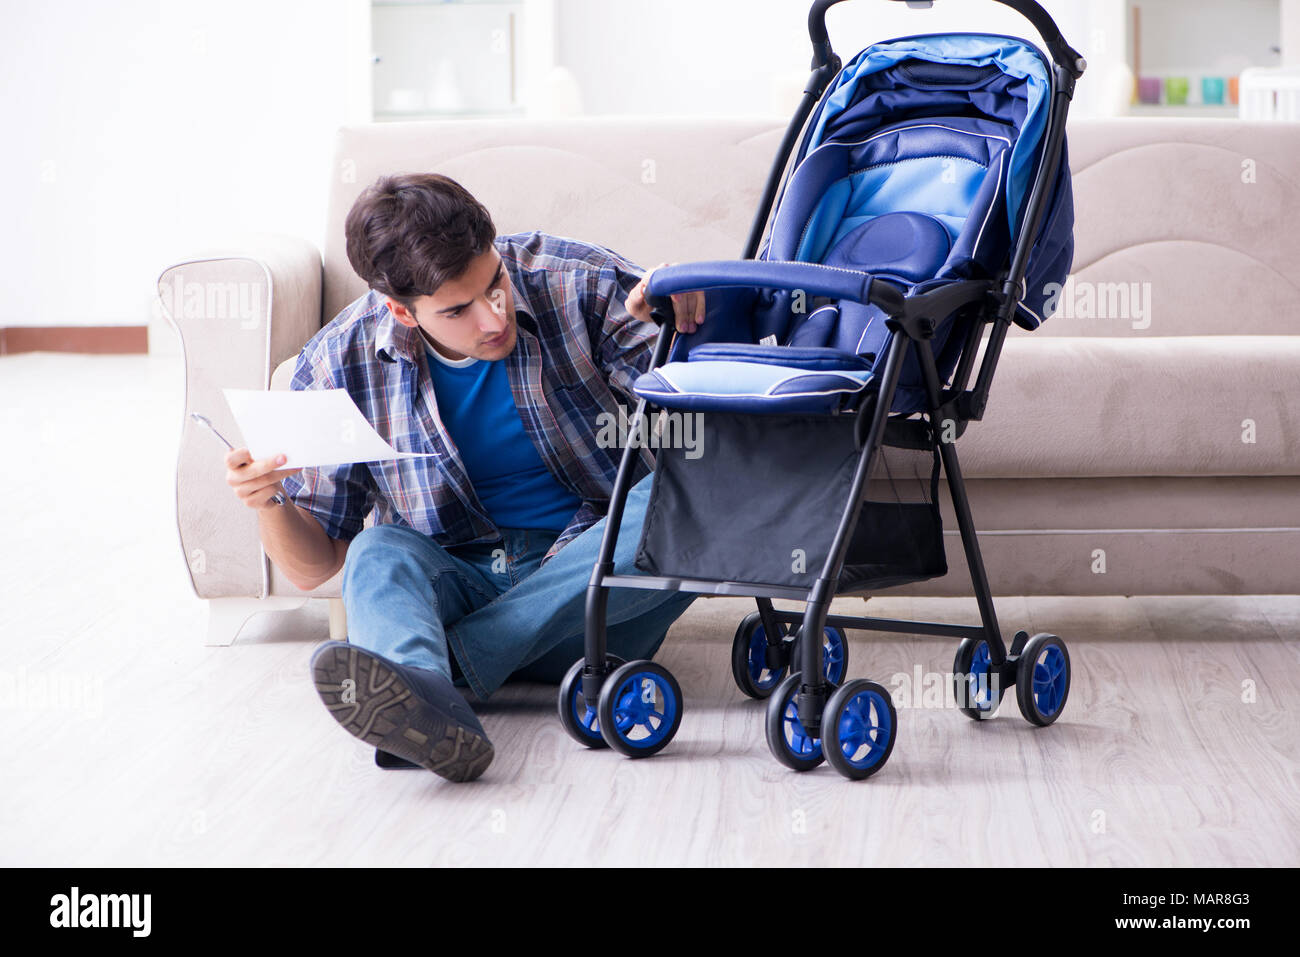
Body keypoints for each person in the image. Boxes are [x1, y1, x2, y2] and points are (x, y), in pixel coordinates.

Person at [222, 172, 704, 783]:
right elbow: (315, 566)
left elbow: (712, 420)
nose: (493, 318)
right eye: (457, 310)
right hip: (460, 581)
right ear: (400, 309)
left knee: (691, 495)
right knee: (377, 550)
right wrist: (269, 504)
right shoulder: (338, 362)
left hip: (594, 601)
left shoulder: (575, 281)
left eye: (495, 284)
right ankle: (430, 692)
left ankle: (435, 684)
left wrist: (683, 325)